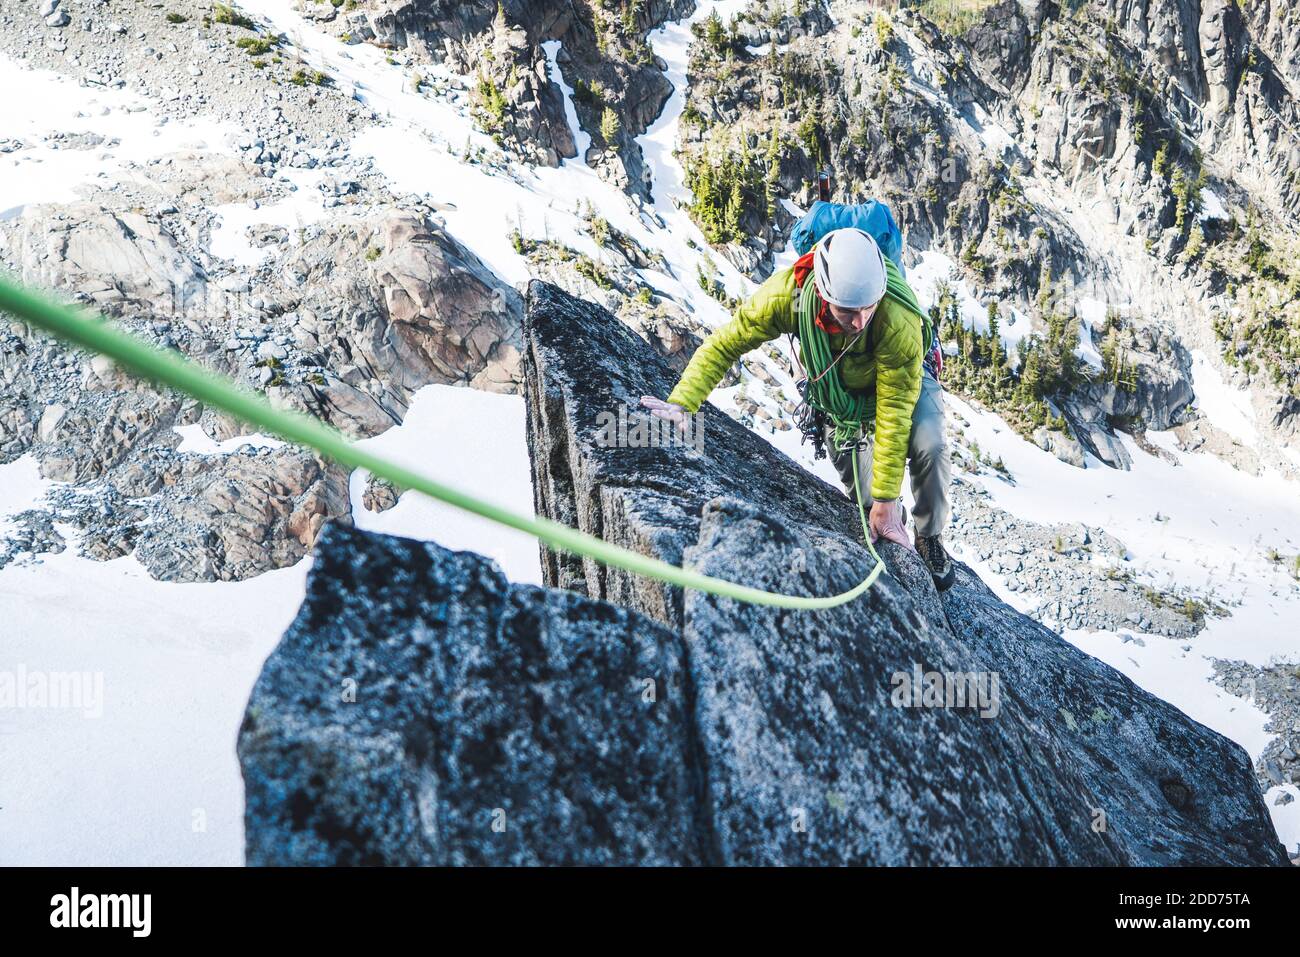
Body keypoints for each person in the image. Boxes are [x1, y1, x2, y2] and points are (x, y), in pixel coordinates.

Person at [641, 227, 956, 590]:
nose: (859, 322)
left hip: (905, 383)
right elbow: (728, 341)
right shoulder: (788, 296)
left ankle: (930, 534)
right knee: (868, 505)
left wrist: (885, 497)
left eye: (868, 307)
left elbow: (895, 407)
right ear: (822, 293)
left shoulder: (894, 318)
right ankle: (890, 510)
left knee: (930, 445)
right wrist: (684, 401)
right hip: (838, 399)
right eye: (848, 311)